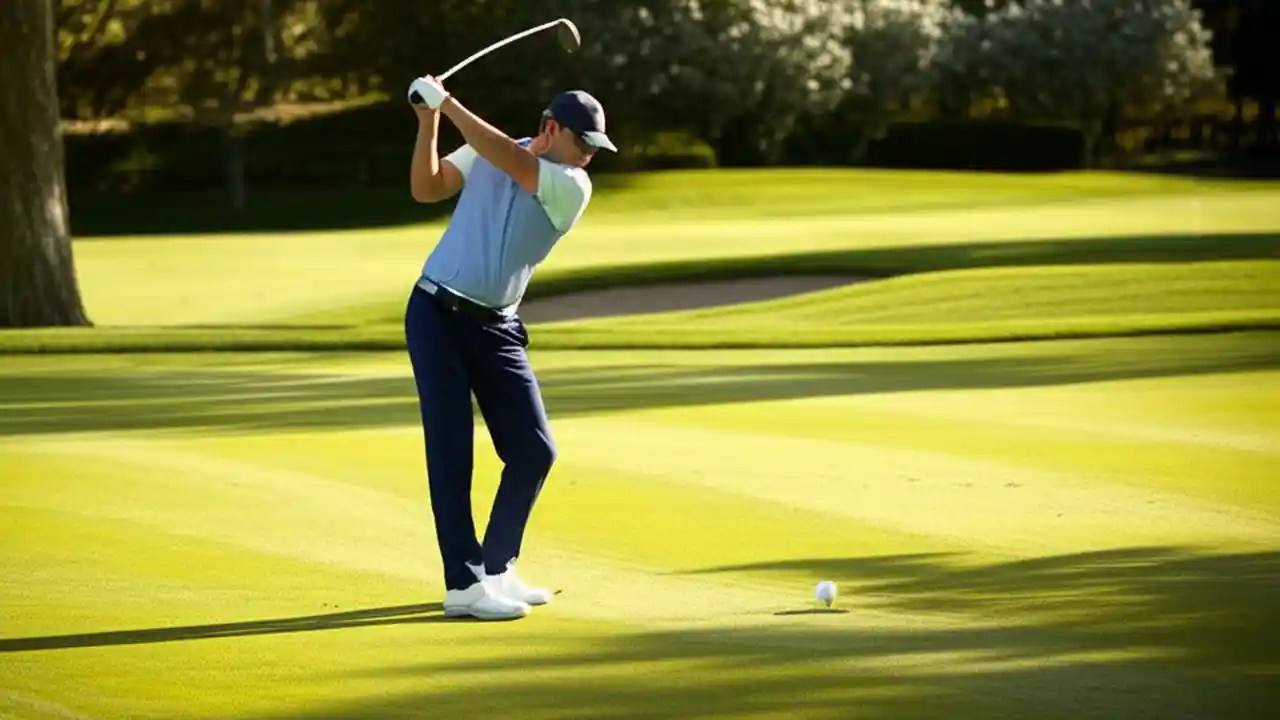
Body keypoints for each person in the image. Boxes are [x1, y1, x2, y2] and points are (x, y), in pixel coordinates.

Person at [402, 74, 617, 620]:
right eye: (584, 141)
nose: (590, 154)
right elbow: (428, 188)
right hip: (435, 312)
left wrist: (449, 104)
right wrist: (429, 121)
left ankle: (496, 567)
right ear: (552, 128)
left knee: (533, 451)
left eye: (596, 146)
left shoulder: (571, 185)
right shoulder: (490, 149)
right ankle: (464, 584)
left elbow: (514, 162)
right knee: (452, 449)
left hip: (496, 326)